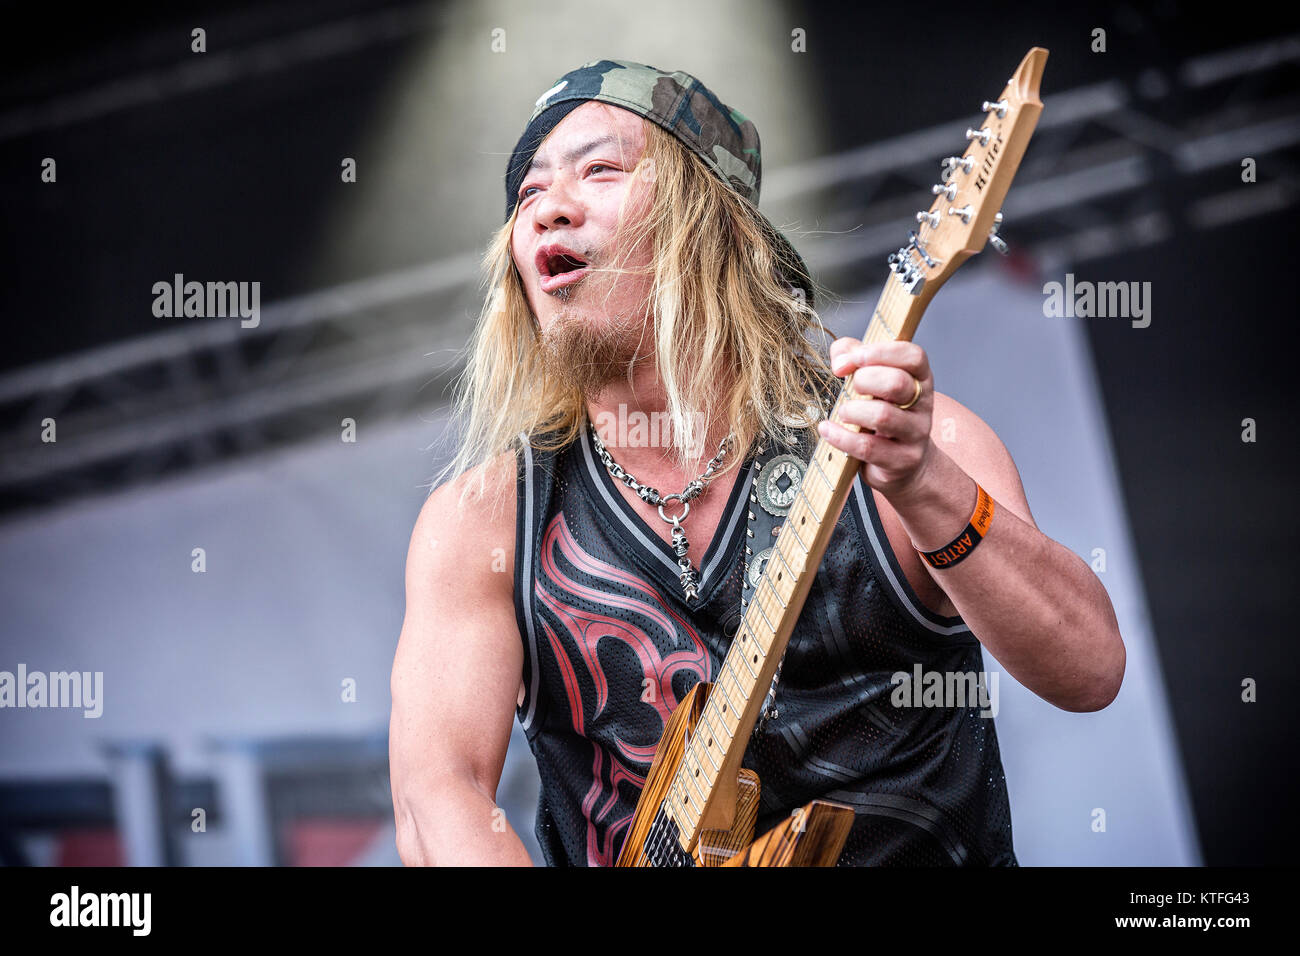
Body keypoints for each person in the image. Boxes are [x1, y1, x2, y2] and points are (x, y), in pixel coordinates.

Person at [389, 60, 1126, 866]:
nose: (547, 211)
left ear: (708, 221)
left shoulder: (909, 443)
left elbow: (1088, 669)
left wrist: (928, 488)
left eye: (599, 169)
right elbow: (439, 795)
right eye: (528, 195)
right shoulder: (486, 522)